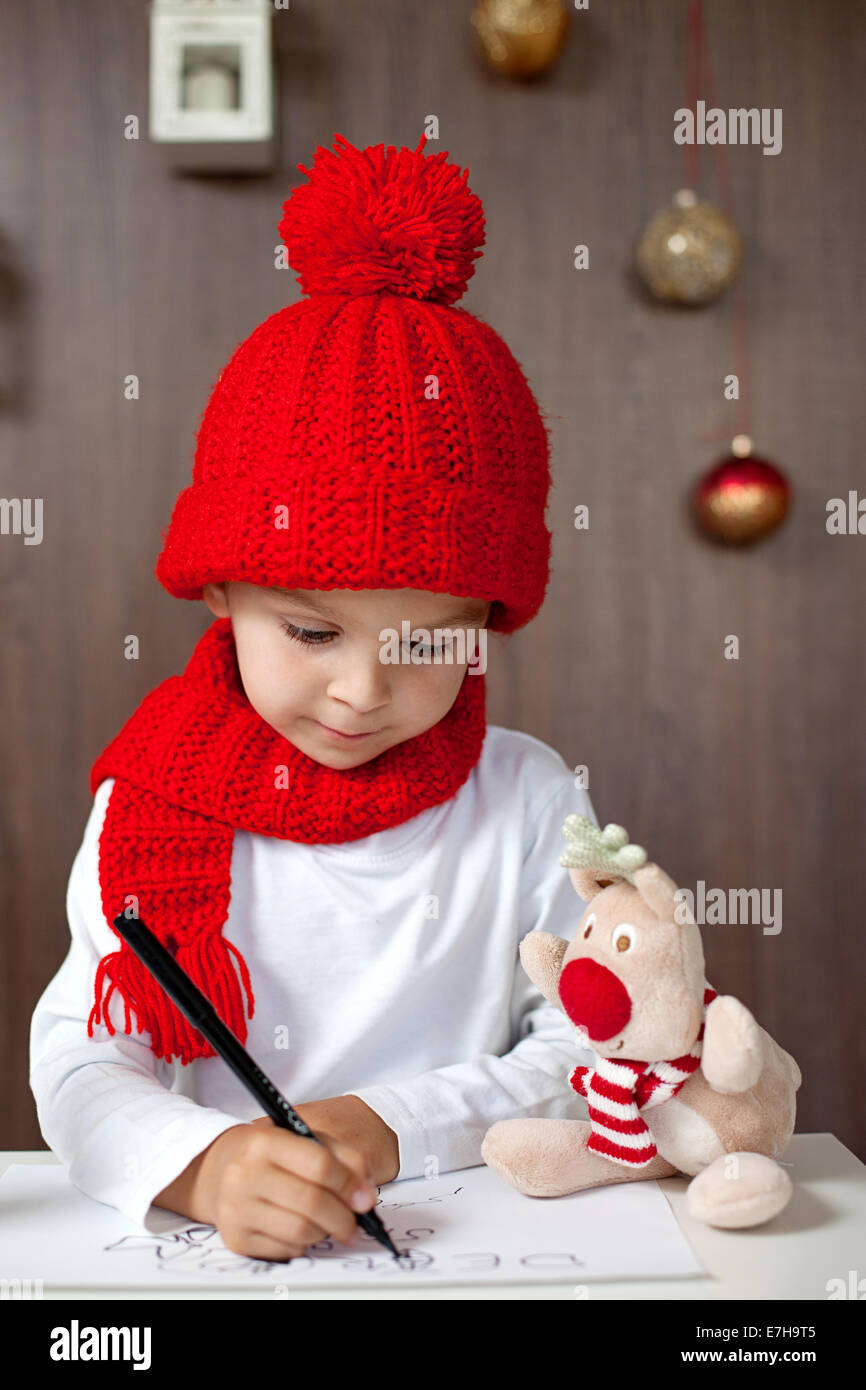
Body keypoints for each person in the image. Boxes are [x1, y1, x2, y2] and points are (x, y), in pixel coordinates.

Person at [29, 131, 598, 1262]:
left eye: (427, 640)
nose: (361, 690)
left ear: (487, 620)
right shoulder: (149, 801)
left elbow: (599, 1044)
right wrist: (204, 1165)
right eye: (310, 631)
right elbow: (82, 1059)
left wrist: (395, 1123)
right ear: (220, 590)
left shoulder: (529, 798)